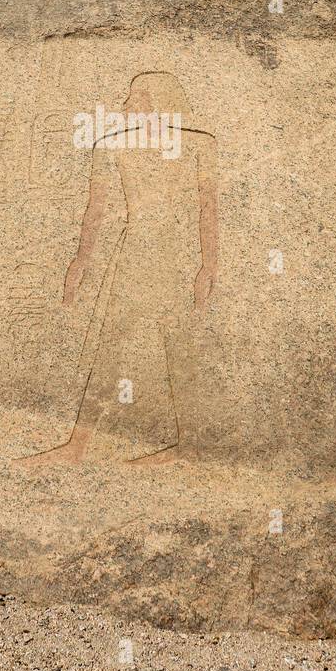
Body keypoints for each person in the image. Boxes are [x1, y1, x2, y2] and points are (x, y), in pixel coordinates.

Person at [20, 72, 217, 467]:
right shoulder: (112, 145)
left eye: (137, 97)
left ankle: (190, 445)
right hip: (133, 252)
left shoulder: (199, 145)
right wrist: (81, 260)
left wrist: (209, 264)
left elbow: (208, 209)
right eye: (129, 97)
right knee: (109, 350)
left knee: (179, 348)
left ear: (162, 100)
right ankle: (78, 445)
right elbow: (96, 211)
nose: (127, 105)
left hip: (173, 257)